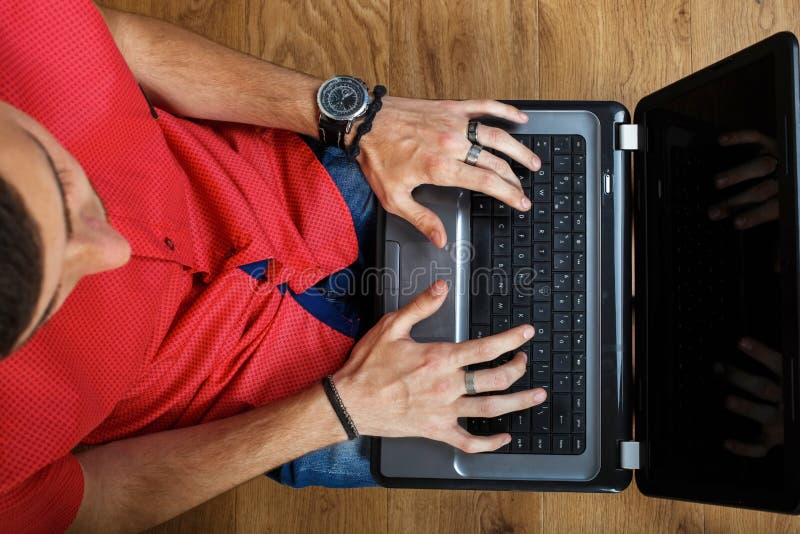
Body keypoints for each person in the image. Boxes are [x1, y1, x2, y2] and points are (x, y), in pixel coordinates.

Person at [0, 2, 548, 532]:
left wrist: (354, 119)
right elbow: (100, 503)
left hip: (293, 188)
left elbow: (115, 42)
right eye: (57, 301)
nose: (113, 251)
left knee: (581, 204)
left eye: (63, 186)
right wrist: (344, 408)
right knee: (590, 400)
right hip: (279, 408)